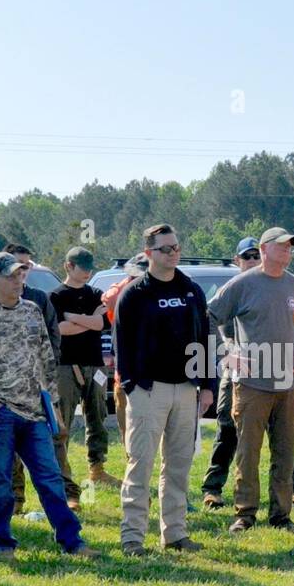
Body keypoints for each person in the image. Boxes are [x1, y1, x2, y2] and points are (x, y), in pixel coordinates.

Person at [0, 252, 91, 558]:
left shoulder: (32, 310)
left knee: (50, 478)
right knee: (0, 481)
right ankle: (2, 542)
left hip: (34, 413)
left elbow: (46, 358)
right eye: (10, 276)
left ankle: (71, 541)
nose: (18, 281)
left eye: (20, 274)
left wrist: (52, 403)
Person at [115, 224, 216, 555]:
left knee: (178, 466)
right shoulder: (134, 294)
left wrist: (207, 385)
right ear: (149, 253)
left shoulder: (191, 290)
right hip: (148, 390)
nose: (173, 253)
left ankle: (175, 534)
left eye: (176, 247)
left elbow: (205, 339)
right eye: (165, 249)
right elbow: (122, 345)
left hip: (186, 389)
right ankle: (133, 537)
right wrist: (132, 386)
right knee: (140, 464)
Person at [208, 227, 294, 533]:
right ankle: (245, 513)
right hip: (252, 384)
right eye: (282, 245)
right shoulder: (242, 284)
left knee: (285, 453)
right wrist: (226, 354)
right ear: (264, 249)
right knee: (248, 452)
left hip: (288, 385)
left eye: (291, 246)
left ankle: (281, 515)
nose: (288, 250)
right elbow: (208, 317)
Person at [51, 246, 118, 502]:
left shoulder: (95, 294)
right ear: (68, 266)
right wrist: (88, 320)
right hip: (66, 366)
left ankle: (97, 468)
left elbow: (102, 323)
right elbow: (61, 329)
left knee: (98, 416)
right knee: (63, 423)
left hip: (94, 365)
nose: (87, 272)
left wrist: (76, 317)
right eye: (82, 267)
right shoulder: (56, 296)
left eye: (90, 267)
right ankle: (62, 479)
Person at [202, 236, 263, 509]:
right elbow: (208, 319)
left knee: (279, 427)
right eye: (246, 257)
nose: (252, 261)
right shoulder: (232, 289)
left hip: (273, 365)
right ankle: (213, 487)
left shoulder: (274, 284)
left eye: (256, 255)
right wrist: (226, 352)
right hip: (236, 366)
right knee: (227, 424)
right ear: (237, 260)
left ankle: (293, 485)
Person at [4, 241, 65, 508]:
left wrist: (48, 372)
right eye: (17, 266)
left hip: (39, 384)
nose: (22, 272)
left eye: (26, 266)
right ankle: (15, 498)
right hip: (7, 386)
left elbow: (53, 335)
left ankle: (62, 497)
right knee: (9, 446)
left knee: (51, 438)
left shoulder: (39, 298)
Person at [102, 252, 151, 442]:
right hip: (126, 374)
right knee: (129, 431)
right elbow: (110, 299)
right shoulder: (121, 294)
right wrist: (129, 283)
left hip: (153, 376)